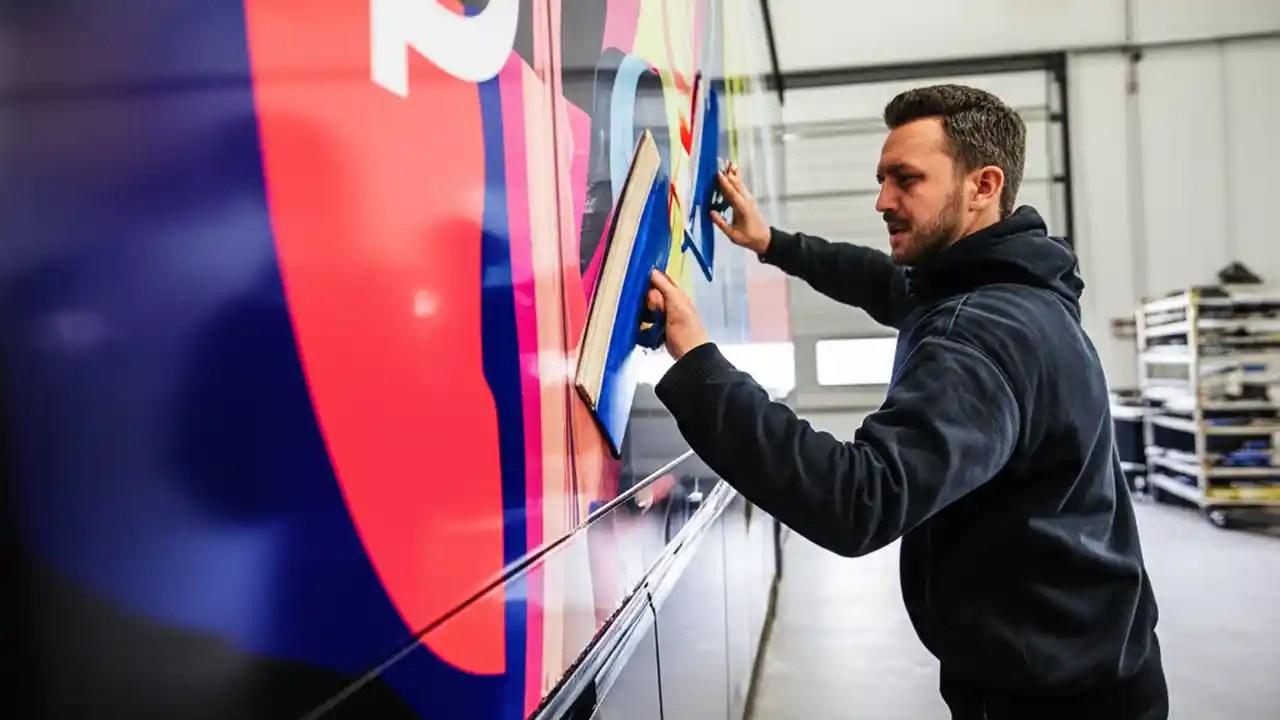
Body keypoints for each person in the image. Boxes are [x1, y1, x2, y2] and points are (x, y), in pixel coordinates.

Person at [645, 84, 1168, 719]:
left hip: (1052, 700)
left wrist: (699, 363)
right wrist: (772, 243)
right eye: (881, 178)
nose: (882, 201)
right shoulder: (1009, 283)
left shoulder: (979, 334)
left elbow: (857, 499)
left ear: (983, 185)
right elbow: (883, 282)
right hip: (1090, 660)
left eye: (906, 180)